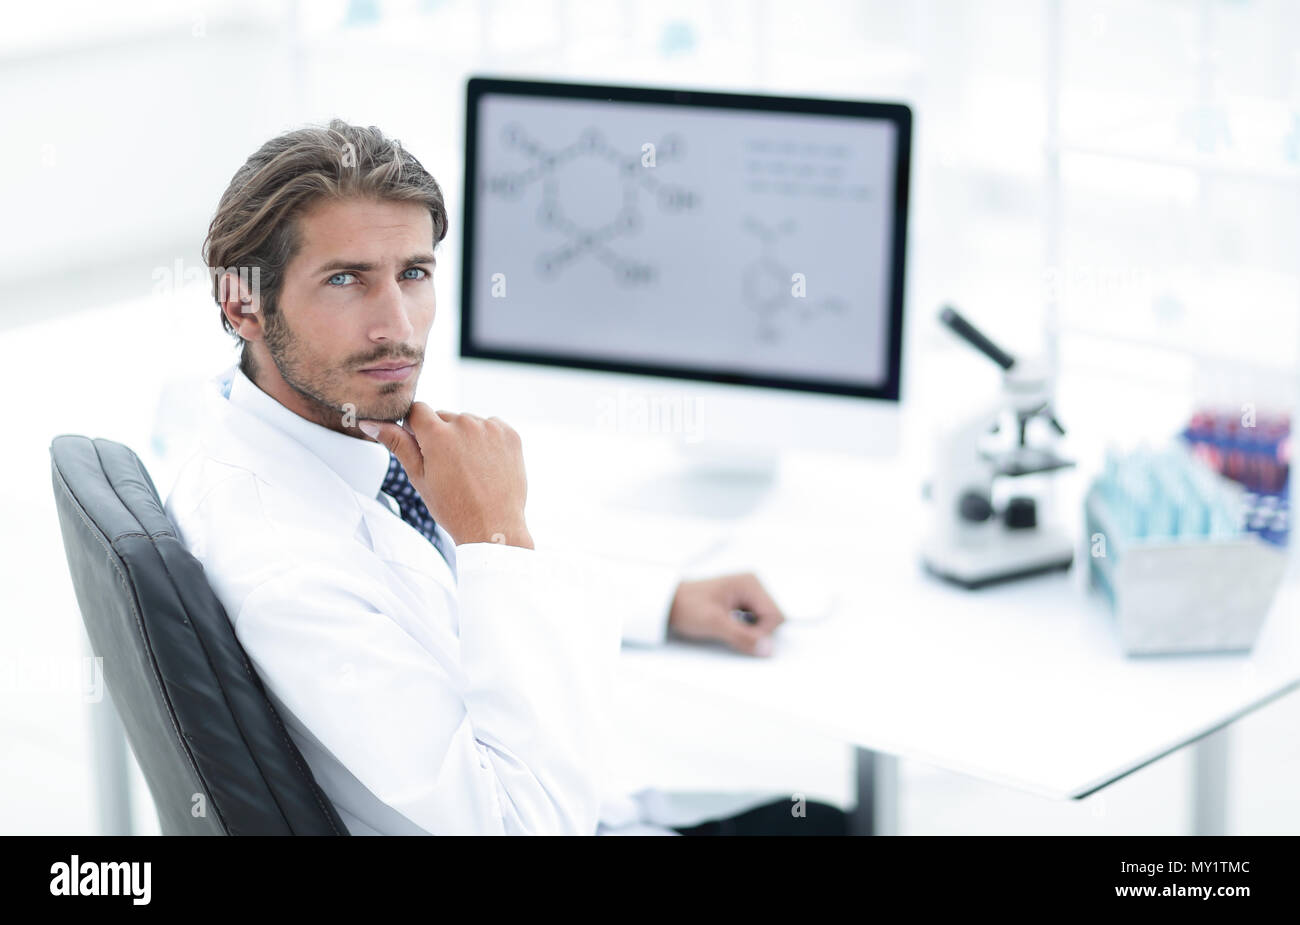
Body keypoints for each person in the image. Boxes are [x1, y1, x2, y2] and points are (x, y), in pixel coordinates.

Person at [165, 119, 848, 835]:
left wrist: (662, 601)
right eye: (345, 280)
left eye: (413, 274)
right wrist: (495, 533)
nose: (398, 326)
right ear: (243, 303)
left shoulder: (311, 439)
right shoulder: (287, 571)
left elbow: (434, 593)